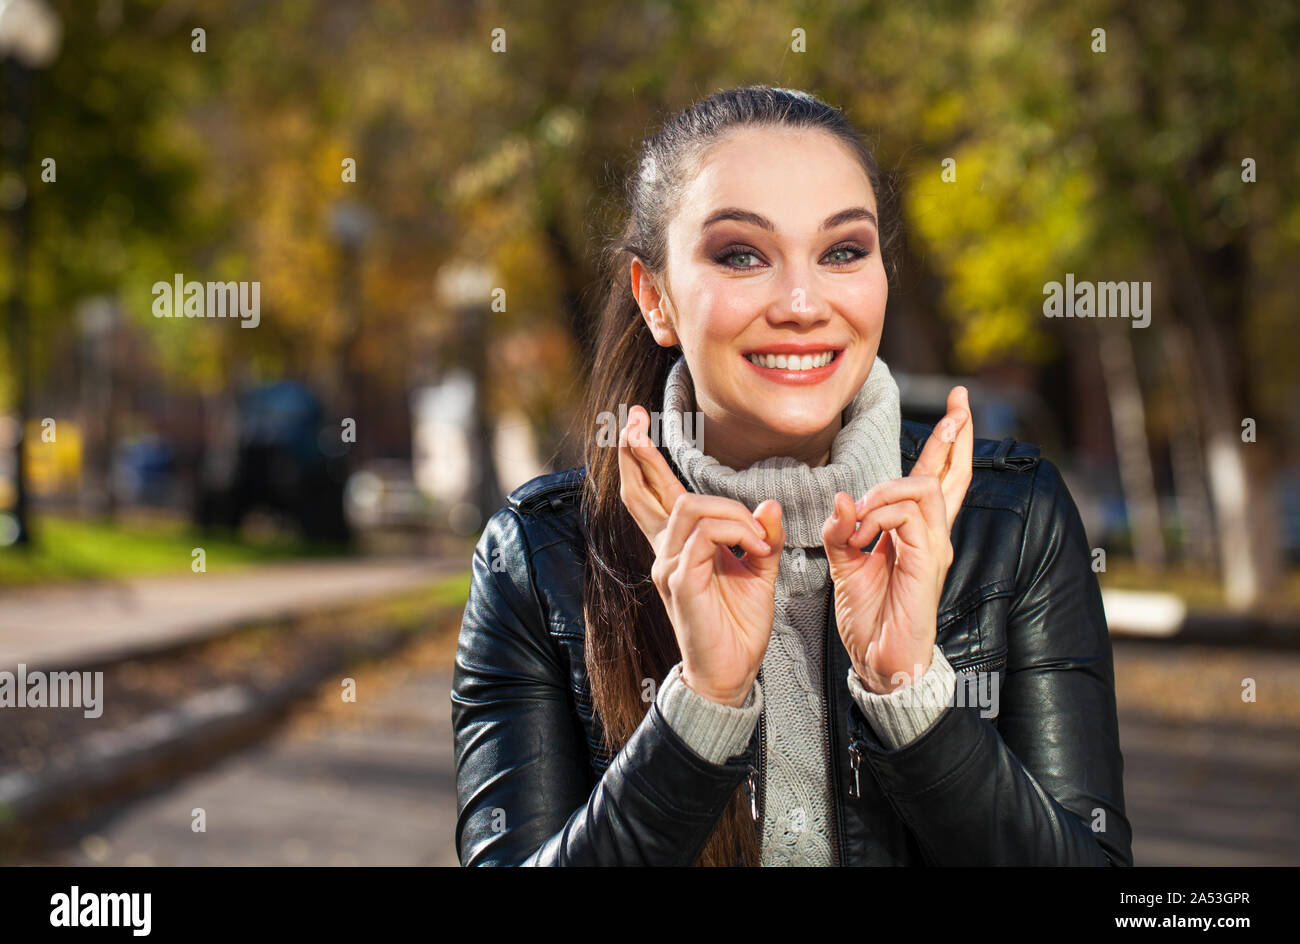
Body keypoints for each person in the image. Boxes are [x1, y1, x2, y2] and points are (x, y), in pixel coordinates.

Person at [453, 85, 1132, 866]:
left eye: (843, 251)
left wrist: (910, 693)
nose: (804, 303)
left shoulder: (1012, 522)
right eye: (741, 255)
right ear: (655, 297)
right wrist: (701, 711)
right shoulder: (539, 560)